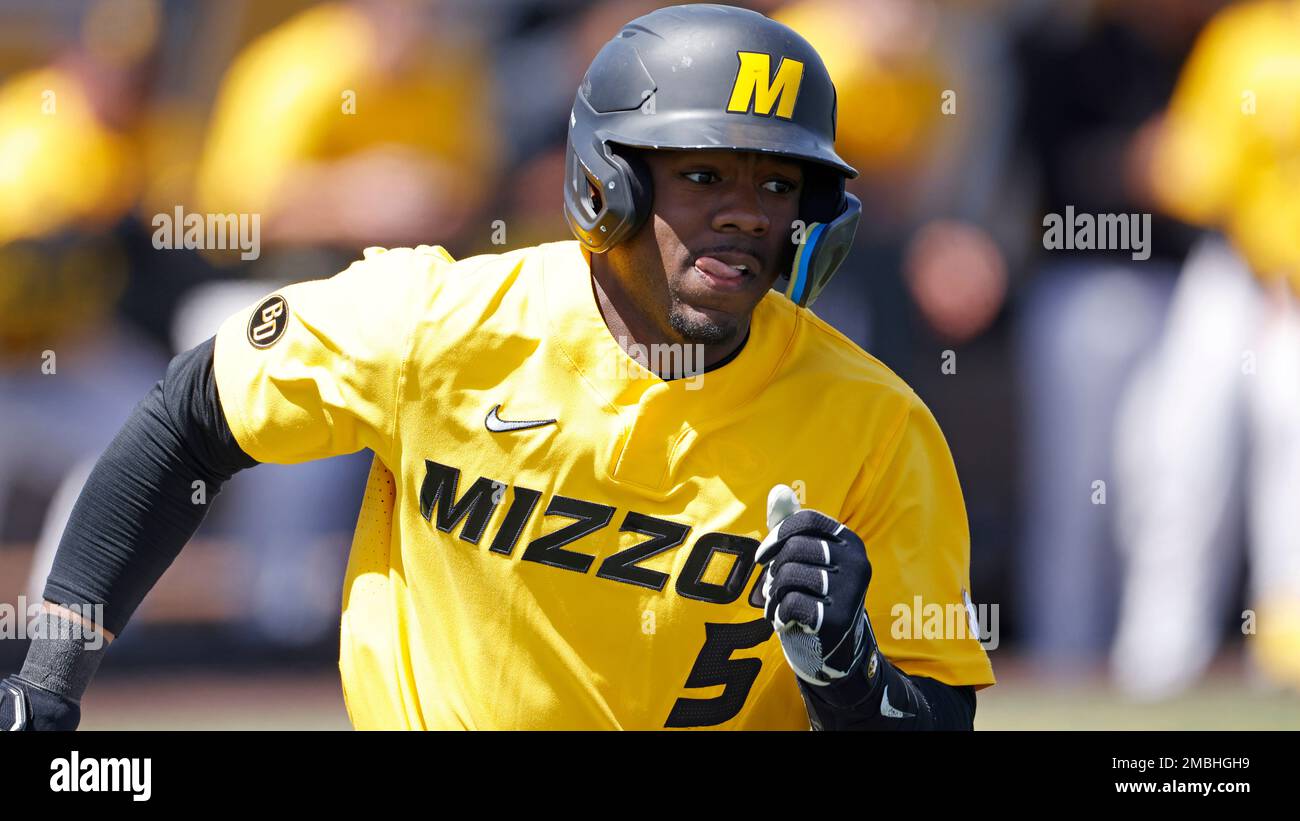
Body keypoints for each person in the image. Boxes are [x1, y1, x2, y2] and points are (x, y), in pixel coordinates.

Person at [1, 3, 993, 731]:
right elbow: (188, 417)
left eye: (777, 181)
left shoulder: (876, 424)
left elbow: (937, 717)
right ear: (606, 180)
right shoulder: (439, 321)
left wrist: (852, 676)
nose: (746, 209)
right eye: (702, 173)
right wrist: (49, 677)